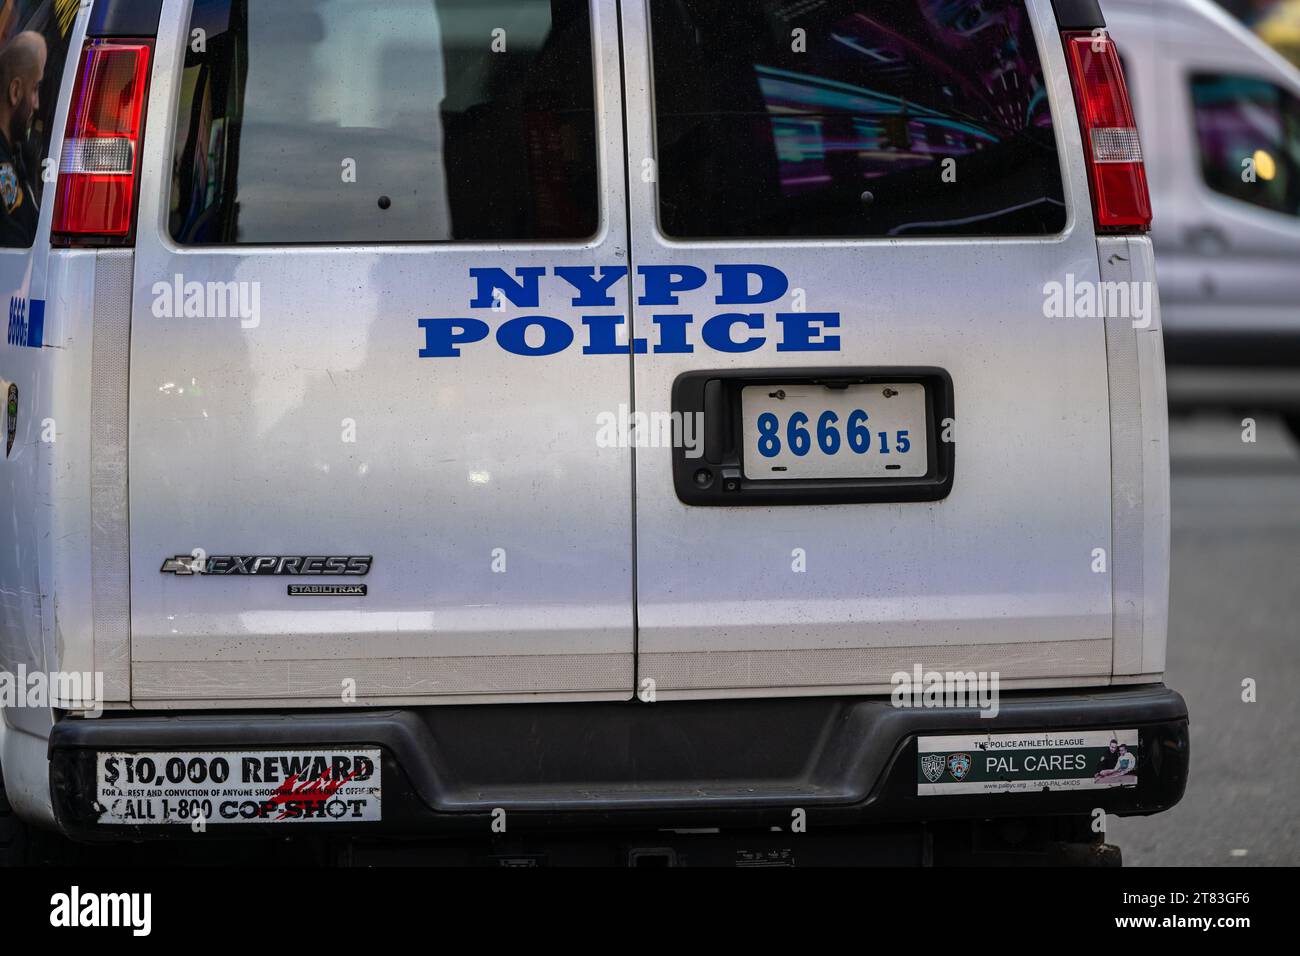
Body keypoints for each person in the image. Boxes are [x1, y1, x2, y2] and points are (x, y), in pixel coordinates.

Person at [0, 31, 47, 248]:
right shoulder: (4, 166)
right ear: (16, 91)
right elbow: (20, 246)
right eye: (35, 89)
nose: (36, 104)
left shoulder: (14, 154)